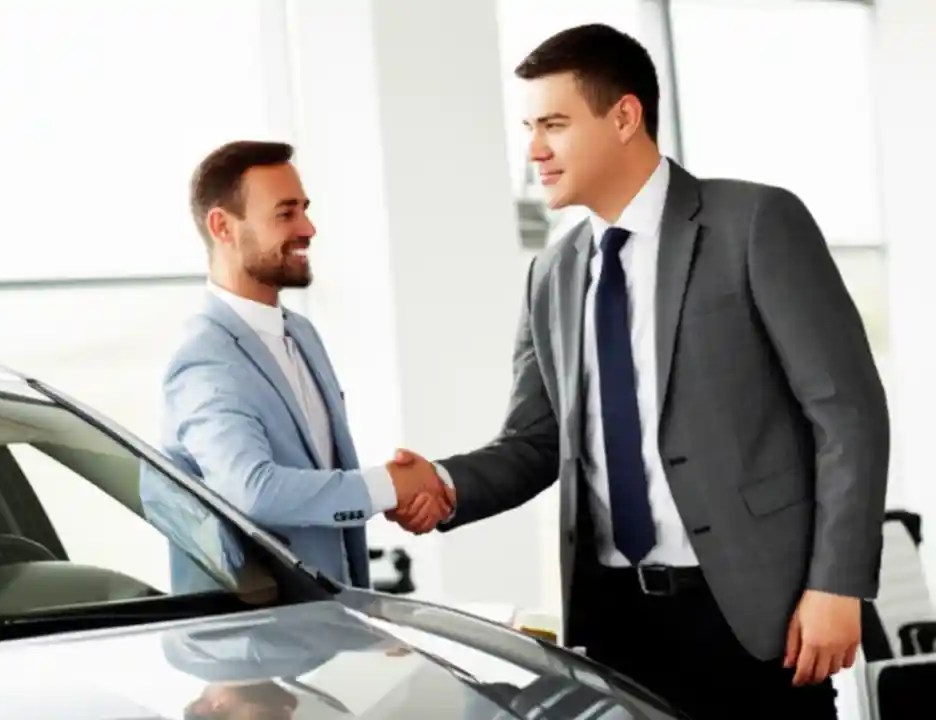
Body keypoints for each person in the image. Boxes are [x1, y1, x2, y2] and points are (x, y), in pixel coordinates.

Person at [388, 23, 889, 719]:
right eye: (530, 126)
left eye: (555, 124)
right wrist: (442, 484)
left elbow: (847, 414)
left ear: (625, 116)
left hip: (755, 619)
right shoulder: (553, 273)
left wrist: (837, 586)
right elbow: (537, 442)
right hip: (615, 626)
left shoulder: (753, 223)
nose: (534, 149)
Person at [155, 140, 453, 590]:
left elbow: (318, 474)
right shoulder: (203, 356)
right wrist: (386, 486)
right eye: (286, 213)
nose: (308, 228)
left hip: (329, 624)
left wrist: (397, 494)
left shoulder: (301, 333)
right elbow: (253, 489)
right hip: (259, 644)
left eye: (305, 210)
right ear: (223, 227)